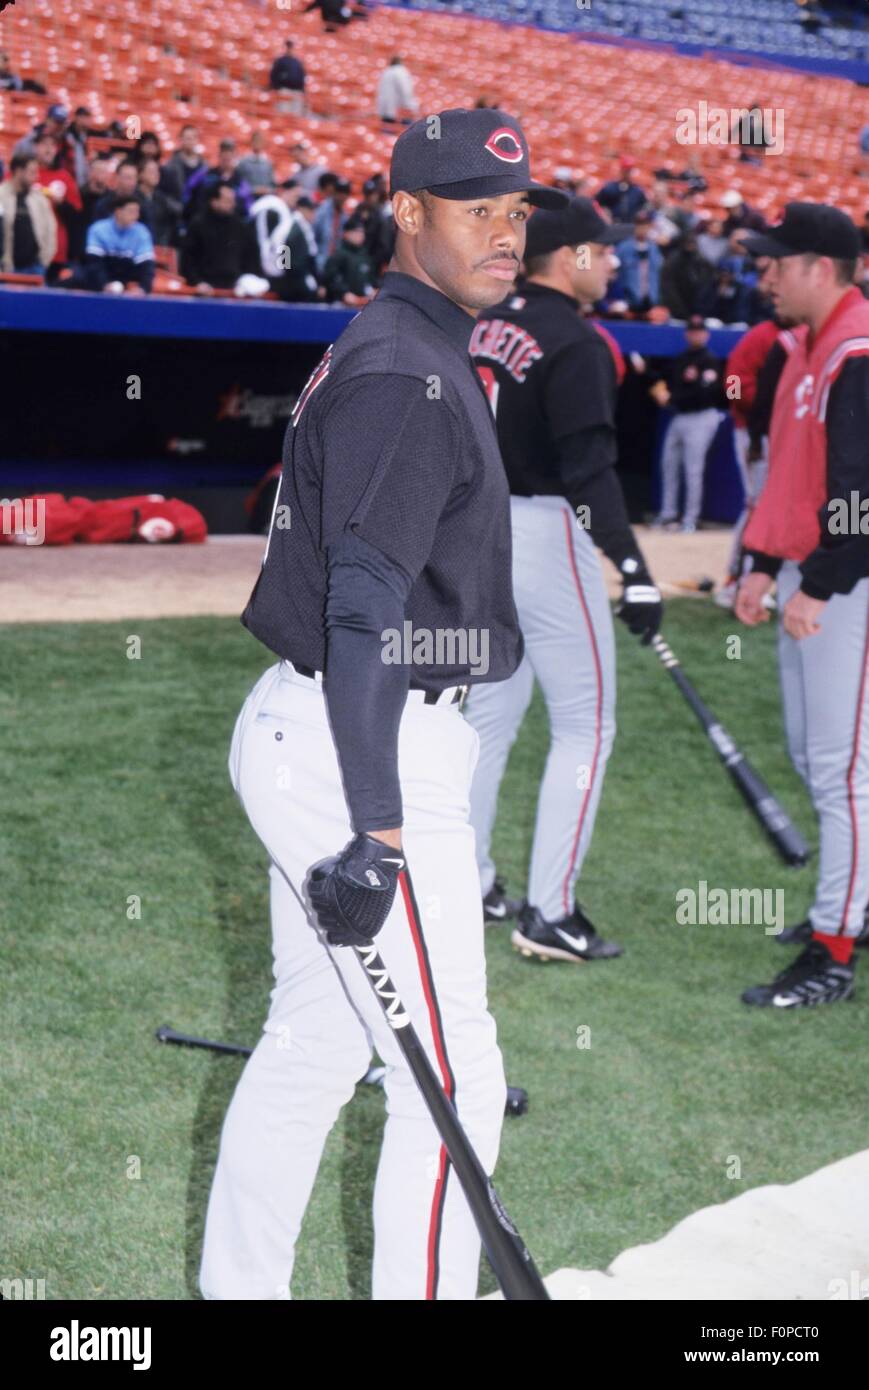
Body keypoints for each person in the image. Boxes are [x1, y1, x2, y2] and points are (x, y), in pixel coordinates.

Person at [197, 105, 566, 1303]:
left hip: (328, 723)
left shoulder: (410, 340)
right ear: (405, 213)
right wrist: (380, 820)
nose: (505, 235)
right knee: (447, 1078)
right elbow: (362, 607)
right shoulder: (408, 367)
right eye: (476, 211)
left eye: (515, 214)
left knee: (316, 1039)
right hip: (364, 741)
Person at [466, 197, 662, 952]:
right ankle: (549, 913)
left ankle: (470, 880)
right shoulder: (574, 341)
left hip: (476, 529)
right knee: (585, 725)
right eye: (600, 249)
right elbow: (589, 473)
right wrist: (636, 572)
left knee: (490, 716)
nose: (611, 260)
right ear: (565, 257)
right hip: (547, 532)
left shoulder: (482, 321)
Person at [735, 203, 869, 1006]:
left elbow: (863, 499)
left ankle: (833, 946)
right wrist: (758, 564)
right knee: (816, 755)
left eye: (777, 262)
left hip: (848, 584)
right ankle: (850, 903)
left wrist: (817, 582)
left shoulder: (856, 348)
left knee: (839, 769)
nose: (765, 274)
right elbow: (790, 471)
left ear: (821, 268)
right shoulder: (808, 346)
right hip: (808, 574)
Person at [651, 314, 725, 533]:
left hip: (702, 416)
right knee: (669, 465)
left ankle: (691, 518)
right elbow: (666, 380)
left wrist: (672, 399)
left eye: (699, 331)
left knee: (693, 469)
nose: (695, 335)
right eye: (692, 331)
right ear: (686, 334)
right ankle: (668, 514)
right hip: (680, 416)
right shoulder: (681, 358)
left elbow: (707, 391)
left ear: (706, 334)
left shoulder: (710, 359)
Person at [180, 182, 255, 292]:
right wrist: (197, 282)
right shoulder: (198, 224)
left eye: (233, 200)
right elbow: (187, 260)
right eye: (228, 201)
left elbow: (250, 257)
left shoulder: (239, 226)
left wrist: (246, 281)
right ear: (214, 202)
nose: (233, 204)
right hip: (205, 289)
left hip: (236, 288)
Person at [79, 194, 156, 294]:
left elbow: (147, 267)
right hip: (99, 280)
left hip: (128, 276)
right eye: (131, 211)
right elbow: (94, 264)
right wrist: (104, 285)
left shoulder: (142, 232)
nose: (136, 216)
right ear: (118, 212)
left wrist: (143, 289)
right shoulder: (98, 229)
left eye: (137, 212)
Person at [32, 132, 82, 277]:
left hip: (56, 249)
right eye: (44, 144)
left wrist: (61, 204)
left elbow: (76, 215)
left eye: (52, 145)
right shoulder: (24, 173)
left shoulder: (64, 177)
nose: (48, 149)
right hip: (26, 247)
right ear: (35, 147)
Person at [0, 153, 57, 276]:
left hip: (36, 268)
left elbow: (51, 230)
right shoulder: (1, 195)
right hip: (6, 269)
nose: (36, 176)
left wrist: (43, 263)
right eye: (32, 172)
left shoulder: (40, 199)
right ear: (19, 171)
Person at [614, 208, 662, 313]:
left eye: (645, 225)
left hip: (650, 300)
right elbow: (616, 275)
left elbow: (658, 274)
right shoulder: (623, 247)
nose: (642, 228)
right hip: (628, 302)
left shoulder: (654, 248)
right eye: (639, 225)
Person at [322, 213, 376, 304]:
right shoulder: (338, 254)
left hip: (363, 302)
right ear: (346, 233)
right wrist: (344, 293)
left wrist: (372, 290)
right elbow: (331, 278)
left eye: (362, 232)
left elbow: (370, 277)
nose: (360, 235)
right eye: (357, 232)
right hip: (341, 302)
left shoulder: (365, 255)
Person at [312, 174, 350, 271]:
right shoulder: (321, 211)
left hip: (336, 265)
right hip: (319, 262)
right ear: (334, 193)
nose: (342, 196)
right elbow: (313, 238)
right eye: (339, 192)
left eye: (345, 193)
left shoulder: (345, 215)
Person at [137, 157, 177, 247]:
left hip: (159, 246)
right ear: (140, 174)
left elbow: (166, 226)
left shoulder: (161, 198)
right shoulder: (133, 198)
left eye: (157, 171)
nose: (156, 174)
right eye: (151, 171)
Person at [596, 155, 647, 223]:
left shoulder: (638, 190)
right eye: (625, 170)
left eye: (629, 170)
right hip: (612, 225)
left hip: (631, 226)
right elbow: (597, 204)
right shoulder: (609, 187)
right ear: (621, 170)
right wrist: (604, 214)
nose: (627, 173)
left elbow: (644, 208)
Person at [376, 55, 419, 126]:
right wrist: (411, 106)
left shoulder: (386, 72)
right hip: (399, 110)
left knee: (386, 130)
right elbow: (405, 90)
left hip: (386, 109)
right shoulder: (401, 72)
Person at [236, 132, 276, 198]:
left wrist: (266, 190)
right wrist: (253, 190)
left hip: (264, 198)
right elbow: (239, 182)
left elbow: (273, 185)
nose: (258, 143)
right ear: (251, 142)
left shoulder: (268, 163)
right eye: (256, 140)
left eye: (260, 141)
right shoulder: (244, 162)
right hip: (248, 199)